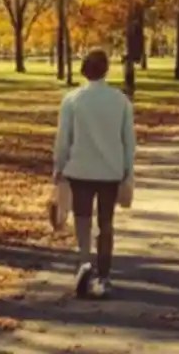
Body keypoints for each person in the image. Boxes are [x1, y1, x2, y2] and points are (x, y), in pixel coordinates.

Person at [53, 48, 136, 299]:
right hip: (110, 171)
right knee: (106, 222)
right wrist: (127, 170)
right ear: (106, 70)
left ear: (84, 71)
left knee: (82, 219)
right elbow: (128, 141)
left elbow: (63, 139)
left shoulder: (72, 100)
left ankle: (84, 262)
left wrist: (58, 166)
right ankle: (104, 273)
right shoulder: (121, 100)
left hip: (80, 169)